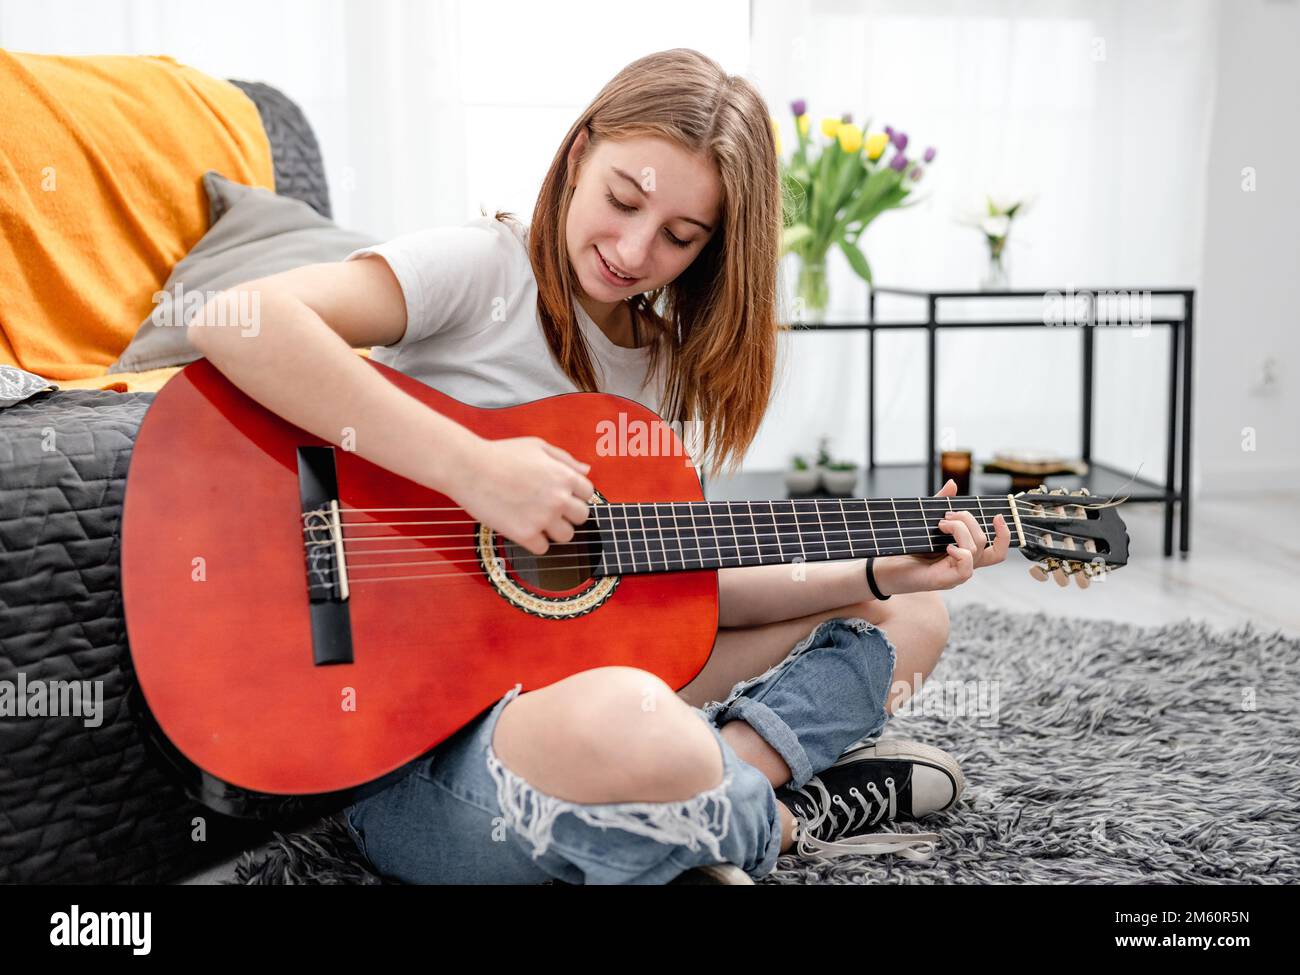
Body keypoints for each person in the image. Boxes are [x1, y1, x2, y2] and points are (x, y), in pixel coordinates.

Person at [189, 47, 1009, 885]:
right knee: (639, 718)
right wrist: (474, 468)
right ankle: (770, 818)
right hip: (418, 763)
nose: (631, 248)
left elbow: (682, 586)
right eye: (623, 200)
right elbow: (237, 318)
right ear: (580, 153)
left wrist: (876, 567)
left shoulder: (657, 372)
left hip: (588, 706)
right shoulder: (483, 272)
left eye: (678, 237)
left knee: (909, 619)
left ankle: (705, 792)